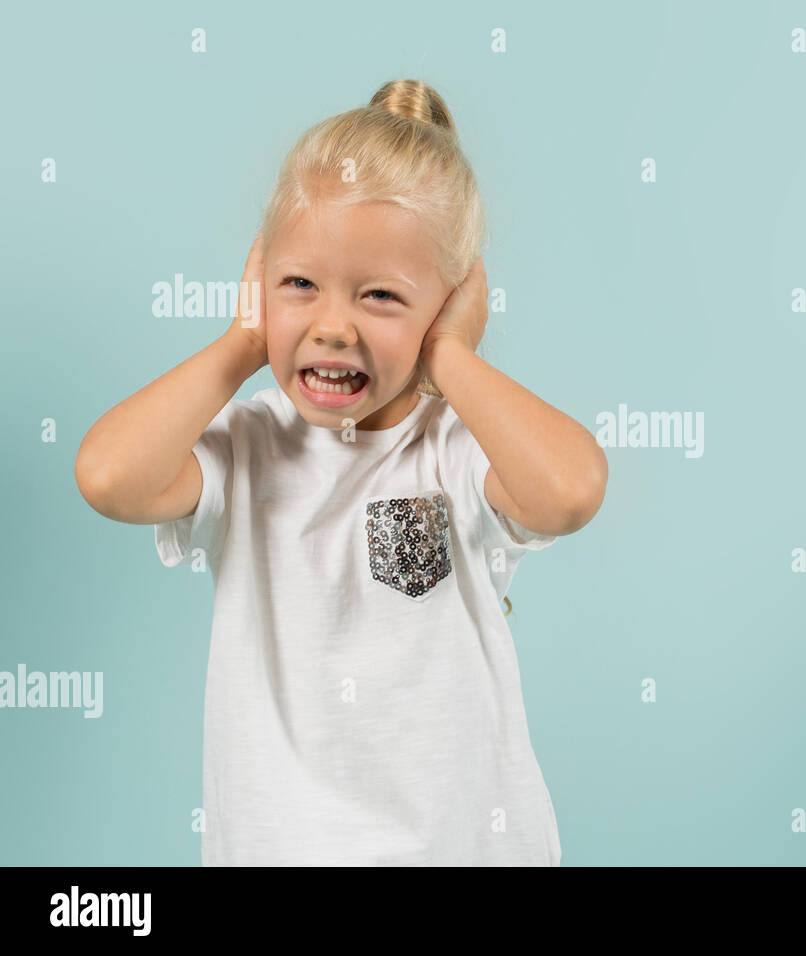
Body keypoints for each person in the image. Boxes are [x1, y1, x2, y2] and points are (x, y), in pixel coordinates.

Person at [73, 79, 607, 866]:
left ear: (446, 307)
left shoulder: (454, 455)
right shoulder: (247, 448)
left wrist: (452, 358)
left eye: (381, 296)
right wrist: (241, 344)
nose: (331, 326)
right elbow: (108, 475)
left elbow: (568, 492)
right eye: (299, 284)